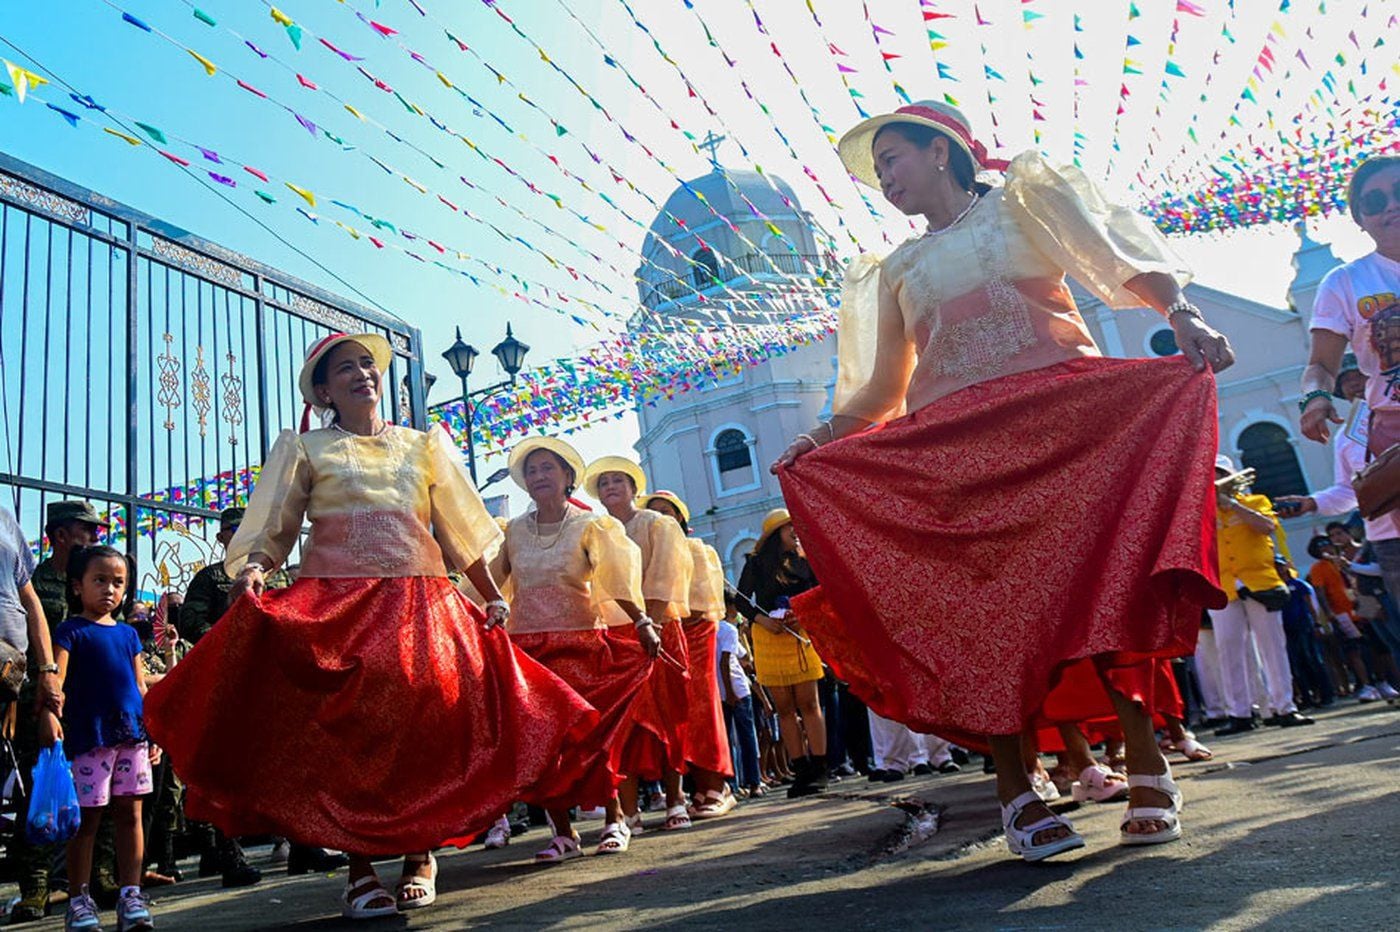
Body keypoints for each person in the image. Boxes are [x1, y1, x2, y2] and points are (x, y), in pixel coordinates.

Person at [773, 100, 1235, 861]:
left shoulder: (1025, 204)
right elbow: (885, 391)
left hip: (1067, 423)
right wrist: (819, 439)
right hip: (959, 451)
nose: (884, 176)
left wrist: (1180, 311)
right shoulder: (898, 269)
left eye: (894, 157)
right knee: (982, 615)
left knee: (1105, 592)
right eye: (879, 166)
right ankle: (1016, 786)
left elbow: (1115, 259)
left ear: (944, 152)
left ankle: (1148, 765)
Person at [144, 334, 596, 919]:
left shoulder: (423, 446)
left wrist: (490, 599)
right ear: (325, 389)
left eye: (368, 365)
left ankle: (419, 856)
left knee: (426, 724)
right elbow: (275, 527)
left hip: (422, 604)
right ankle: (358, 870)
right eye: (345, 369)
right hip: (339, 604)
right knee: (348, 734)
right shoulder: (305, 449)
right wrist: (254, 568)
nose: (362, 374)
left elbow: (459, 535)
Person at [493, 438, 660, 863]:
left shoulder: (590, 526)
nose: (539, 476)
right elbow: (489, 583)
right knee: (542, 742)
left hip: (581, 641)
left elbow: (617, 577)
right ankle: (563, 833)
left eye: (548, 468)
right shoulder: (513, 530)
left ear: (568, 477)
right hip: (527, 648)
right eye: (532, 471)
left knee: (590, 739)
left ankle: (614, 819)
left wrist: (640, 619)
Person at [1299, 155, 1400, 635]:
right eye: (1374, 201)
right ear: (1360, 219)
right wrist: (1315, 398)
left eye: (1398, 191)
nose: (1390, 206)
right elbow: (1320, 365)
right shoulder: (1344, 283)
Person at [582, 460, 693, 839]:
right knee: (620, 723)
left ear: (633, 488)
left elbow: (665, 574)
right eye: (604, 483)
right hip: (614, 634)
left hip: (659, 627)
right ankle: (629, 812)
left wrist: (653, 625)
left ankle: (676, 799)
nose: (611, 486)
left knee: (668, 712)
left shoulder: (657, 524)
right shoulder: (594, 530)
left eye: (618, 481)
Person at [51, 545, 158, 932]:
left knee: (131, 815)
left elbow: (139, 685)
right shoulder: (70, 631)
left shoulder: (130, 635)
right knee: (87, 820)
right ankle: (79, 900)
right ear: (78, 586)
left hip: (131, 736)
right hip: (89, 737)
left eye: (118, 583)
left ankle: (132, 895)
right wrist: (51, 716)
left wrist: (153, 728)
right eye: (100, 581)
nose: (110, 590)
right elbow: (56, 683)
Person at [8, 501, 102, 923]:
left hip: (91, 703)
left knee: (99, 790)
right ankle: (36, 887)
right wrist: (44, 696)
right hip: (42, 700)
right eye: (87, 530)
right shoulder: (39, 581)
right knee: (37, 789)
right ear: (61, 535)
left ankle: (100, 876)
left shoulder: (97, 580)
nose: (95, 538)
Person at [643, 491, 736, 818]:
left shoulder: (696, 549)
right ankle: (691, 789)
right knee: (674, 714)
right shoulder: (645, 552)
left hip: (694, 633)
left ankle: (717, 784)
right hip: (664, 635)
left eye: (667, 512)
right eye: (653, 514)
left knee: (701, 707)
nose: (661, 518)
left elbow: (703, 605)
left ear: (680, 518)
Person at [1210, 455, 1314, 734]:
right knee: (1228, 649)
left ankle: (1285, 707)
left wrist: (1230, 503)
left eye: (1219, 474)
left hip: (1260, 582)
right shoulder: (1203, 513)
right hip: (1223, 586)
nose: (1215, 481)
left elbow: (1267, 527)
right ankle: (1240, 714)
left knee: (1272, 647)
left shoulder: (1255, 502)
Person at [734, 509, 829, 799]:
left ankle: (821, 768)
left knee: (809, 703)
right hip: (768, 637)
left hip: (799, 636)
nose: (795, 532)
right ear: (776, 533)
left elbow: (817, 594)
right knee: (785, 708)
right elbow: (741, 600)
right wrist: (762, 621)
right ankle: (801, 770)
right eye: (789, 528)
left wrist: (800, 616)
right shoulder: (755, 563)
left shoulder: (805, 562)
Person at [716, 596, 762, 798]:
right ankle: (754, 782)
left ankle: (733, 785)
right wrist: (731, 692)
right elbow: (725, 662)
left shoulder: (716, 630)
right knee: (747, 738)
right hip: (736, 691)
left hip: (721, 691)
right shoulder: (727, 630)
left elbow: (744, 657)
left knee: (727, 740)